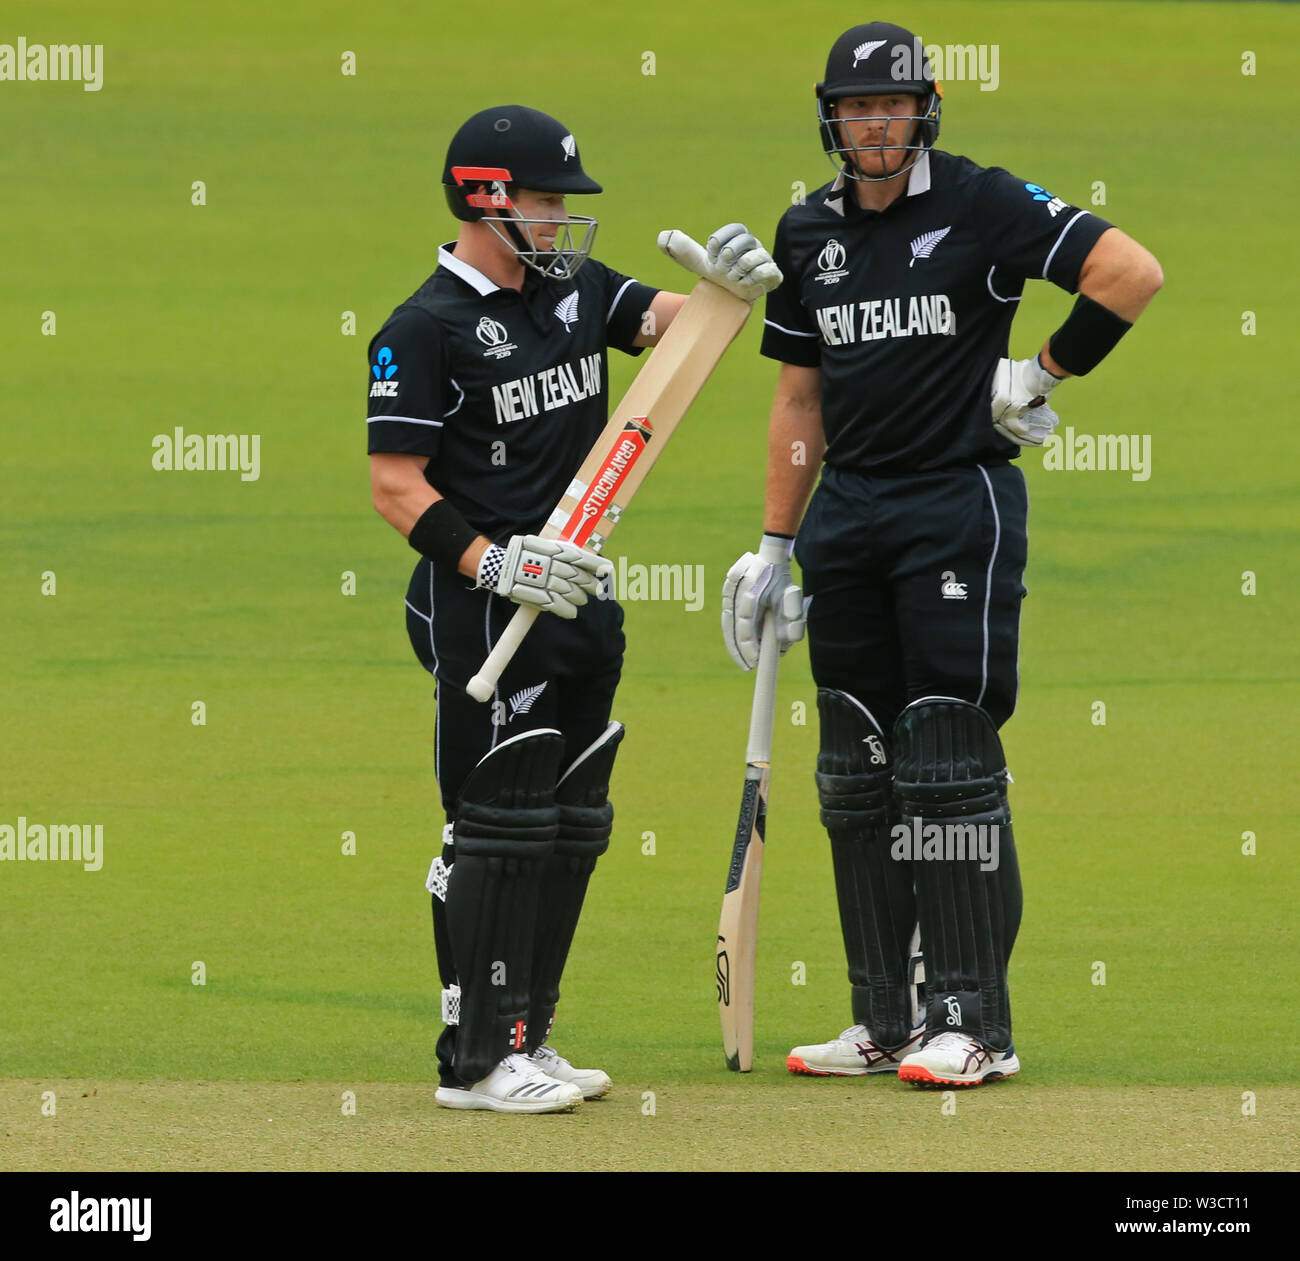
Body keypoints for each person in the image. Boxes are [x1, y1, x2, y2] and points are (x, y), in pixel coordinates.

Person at [721, 22, 1162, 1086]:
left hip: (955, 505)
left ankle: (972, 1022)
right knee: (854, 766)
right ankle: (881, 1019)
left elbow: (1129, 272)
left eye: (893, 105)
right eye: (856, 107)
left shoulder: (982, 200)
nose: (875, 124)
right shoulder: (806, 230)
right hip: (847, 514)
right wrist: (774, 543)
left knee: (947, 761)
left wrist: (1040, 374)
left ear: (926, 108)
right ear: (829, 116)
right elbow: (798, 394)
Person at [367, 104, 779, 1112]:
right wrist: (495, 561)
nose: (561, 220)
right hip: (481, 610)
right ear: (486, 198)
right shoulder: (421, 330)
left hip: (580, 595)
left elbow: (679, 338)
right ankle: (472, 1060)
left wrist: (732, 291)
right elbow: (395, 483)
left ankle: (527, 1035)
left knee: (567, 823)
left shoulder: (573, 291)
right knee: (494, 826)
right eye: (548, 202)